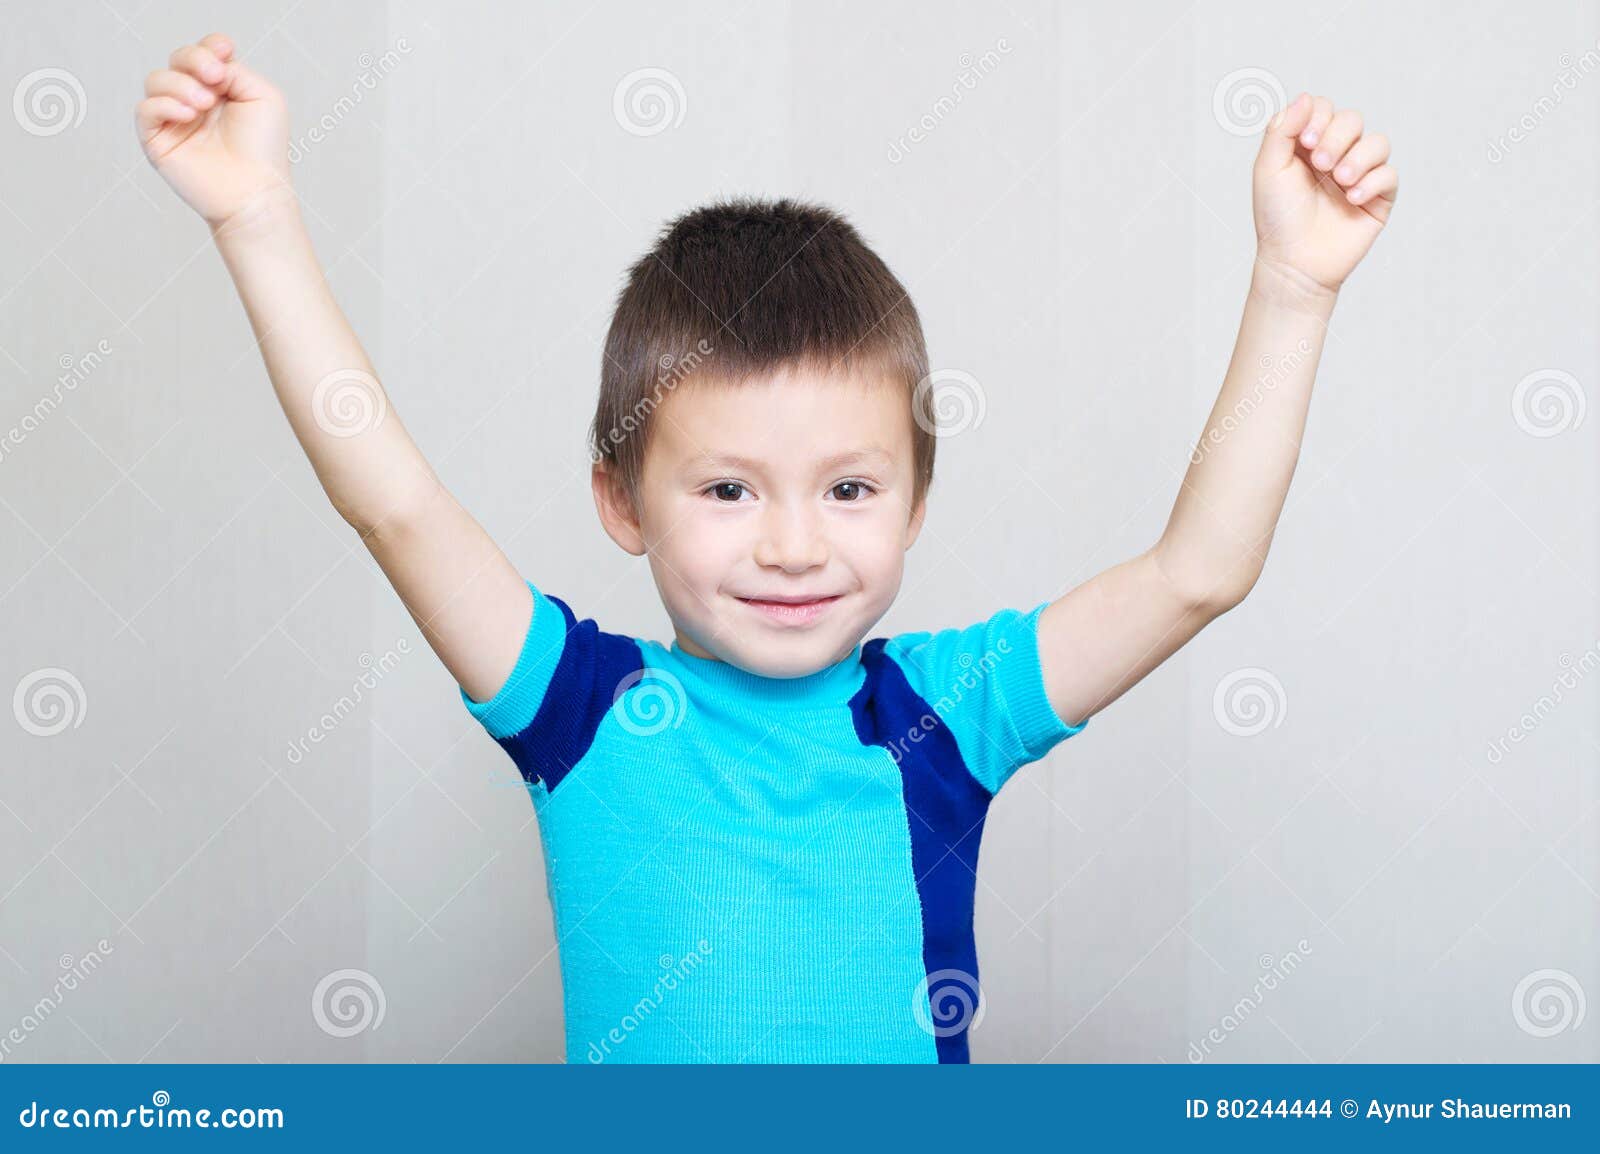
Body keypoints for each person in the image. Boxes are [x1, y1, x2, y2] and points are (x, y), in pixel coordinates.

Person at [135, 32, 1397, 1062]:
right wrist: (255, 216)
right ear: (621, 501)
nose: (794, 544)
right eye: (729, 489)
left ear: (913, 506)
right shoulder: (578, 708)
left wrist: (1295, 284)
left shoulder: (945, 713)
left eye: (849, 487)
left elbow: (1198, 571)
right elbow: (395, 503)